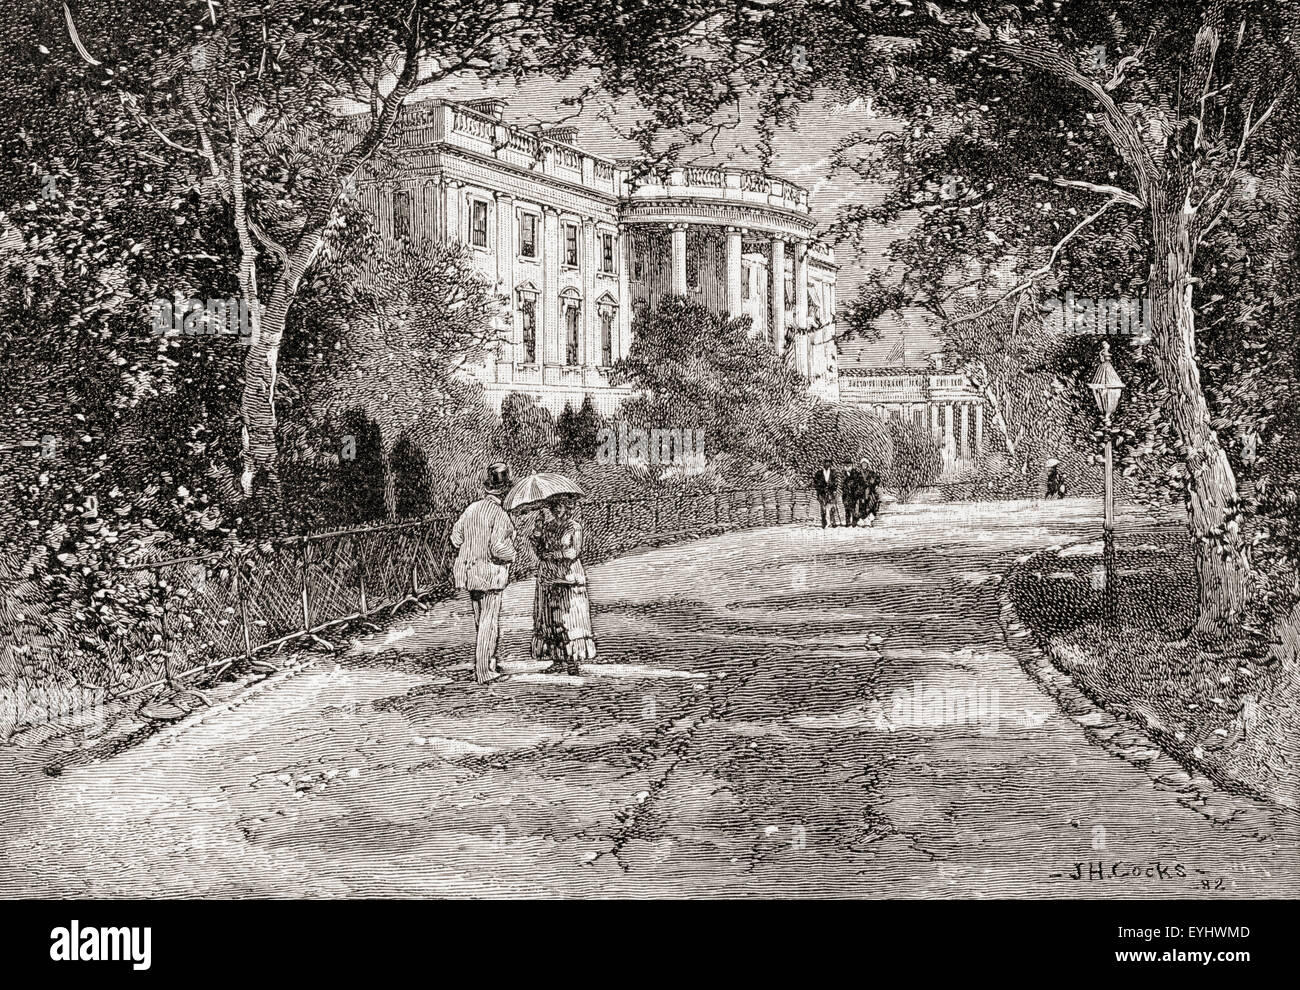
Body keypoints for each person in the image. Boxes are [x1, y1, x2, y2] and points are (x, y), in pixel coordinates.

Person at [450, 462, 517, 684]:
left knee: (480, 621)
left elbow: (455, 538)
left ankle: (486, 663)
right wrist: (513, 554)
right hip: (489, 573)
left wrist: (472, 545)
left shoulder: (471, 509)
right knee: (489, 622)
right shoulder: (500, 515)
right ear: (505, 491)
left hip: (470, 572)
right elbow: (499, 548)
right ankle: (484, 671)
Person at [530, 494, 597, 673]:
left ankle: (572, 660)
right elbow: (539, 551)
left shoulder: (574, 527)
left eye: (558, 506)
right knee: (550, 617)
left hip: (568, 575)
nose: (555, 509)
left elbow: (574, 552)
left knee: (568, 617)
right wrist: (537, 531)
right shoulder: (548, 526)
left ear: (567, 507)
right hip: (549, 575)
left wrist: (554, 555)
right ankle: (557, 659)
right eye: (552, 506)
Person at [811, 459, 842, 528]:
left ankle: (833, 522)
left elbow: (836, 483)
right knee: (823, 509)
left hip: (831, 493)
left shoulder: (833, 472)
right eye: (826, 463)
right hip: (822, 493)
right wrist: (822, 489)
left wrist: (832, 488)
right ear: (823, 464)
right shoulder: (819, 473)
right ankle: (824, 523)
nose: (827, 464)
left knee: (832, 508)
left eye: (828, 463)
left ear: (830, 464)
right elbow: (816, 483)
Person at [843, 463, 866, 527]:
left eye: (849, 465)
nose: (847, 467)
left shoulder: (856, 473)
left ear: (852, 465)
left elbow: (860, 483)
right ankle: (848, 522)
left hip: (854, 494)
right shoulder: (843, 473)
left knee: (854, 508)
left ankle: (854, 522)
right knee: (847, 508)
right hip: (846, 494)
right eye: (846, 465)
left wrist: (858, 491)